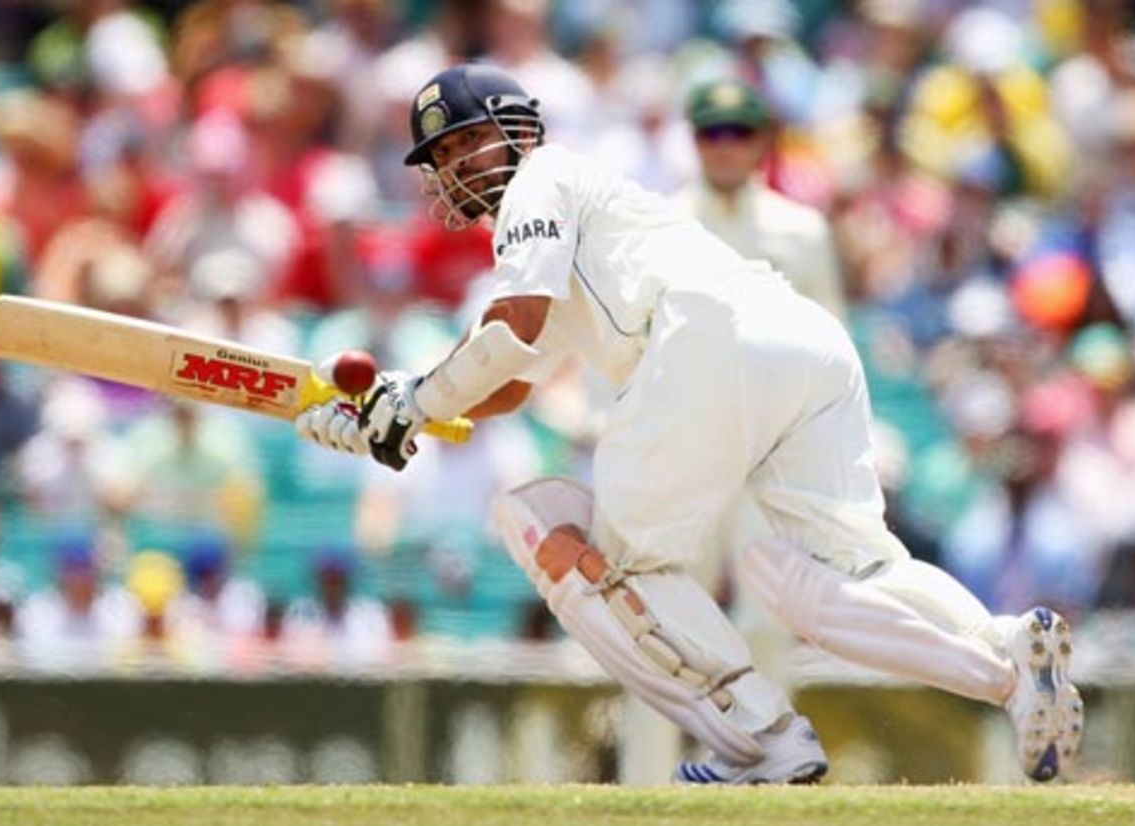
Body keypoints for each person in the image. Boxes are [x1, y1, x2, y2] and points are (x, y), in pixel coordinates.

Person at [296, 63, 1083, 784]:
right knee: (841, 573)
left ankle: (760, 741)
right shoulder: (586, 232)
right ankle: (1008, 658)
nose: (460, 163)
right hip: (800, 341)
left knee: (604, 561)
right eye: (445, 154)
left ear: (517, 128)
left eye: (470, 139)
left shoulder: (540, 184)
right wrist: (393, 411)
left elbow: (509, 330)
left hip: (700, 340)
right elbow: (504, 382)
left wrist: (415, 404)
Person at [671, 78, 846, 320]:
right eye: (711, 133)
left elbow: (831, 330)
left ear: (762, 140)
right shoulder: (666, 225)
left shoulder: (803, 229)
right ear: (694, 139)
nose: (726, 147)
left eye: (740, 133)